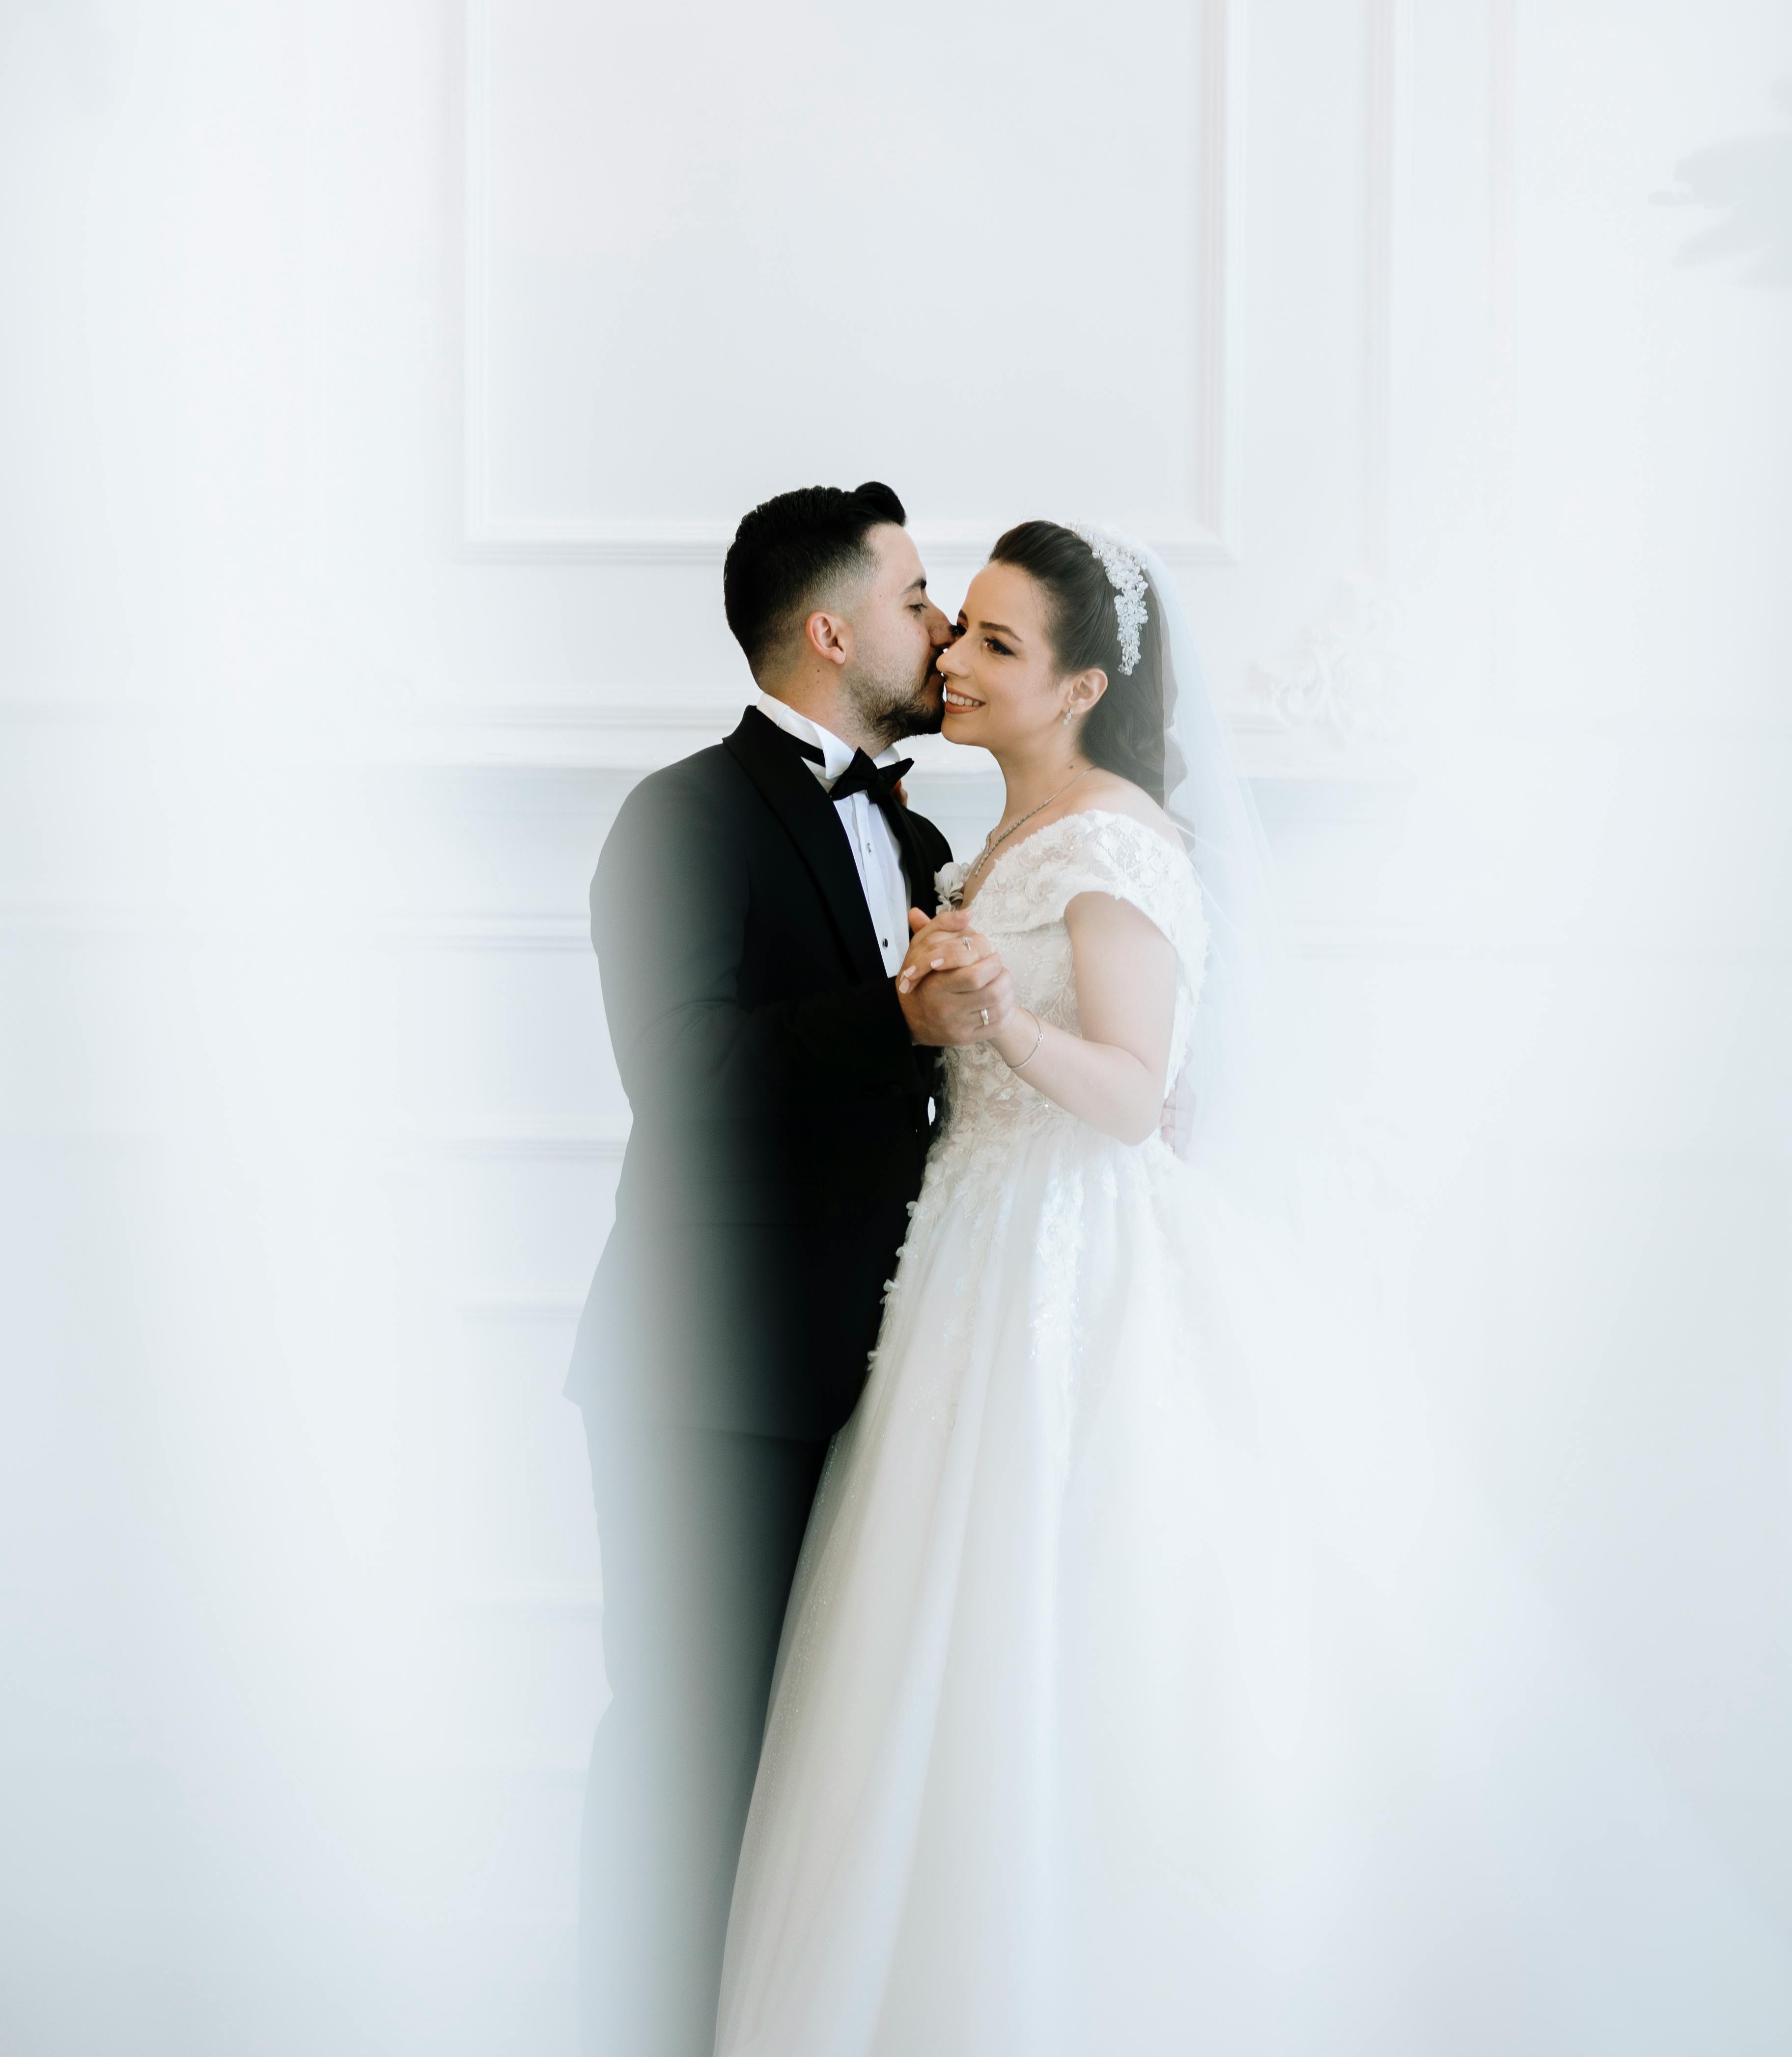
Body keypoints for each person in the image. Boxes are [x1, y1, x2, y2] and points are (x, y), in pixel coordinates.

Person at [712, 519, 1792, 2057]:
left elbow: (1133, 1095)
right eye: (961, 628)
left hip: (1068, 1260)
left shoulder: (1113, 843)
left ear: (1084, 688)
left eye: (1000, 643)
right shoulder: (1005, 840)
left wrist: (1003, 1022)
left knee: (1082, 1629)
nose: (954, 656)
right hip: (971, 1252)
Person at [562, 482, 1009, 2057]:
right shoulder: (679, 818)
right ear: (829, 632)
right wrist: (895, 1019)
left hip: (888, 1380)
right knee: (694, 1748)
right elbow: (681, 1075)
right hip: (713, 1386)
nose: (942, 626)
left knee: (839, 1761)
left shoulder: (924, 836)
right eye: (915, 597)